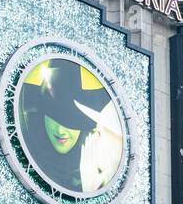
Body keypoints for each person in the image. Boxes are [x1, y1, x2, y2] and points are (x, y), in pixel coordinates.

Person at [18, 58, 123, 194]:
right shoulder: (23, 152)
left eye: (73, 122)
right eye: (54, 117)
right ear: (41, 116)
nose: (61, 130)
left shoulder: (98, 170)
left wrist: (89, 189)